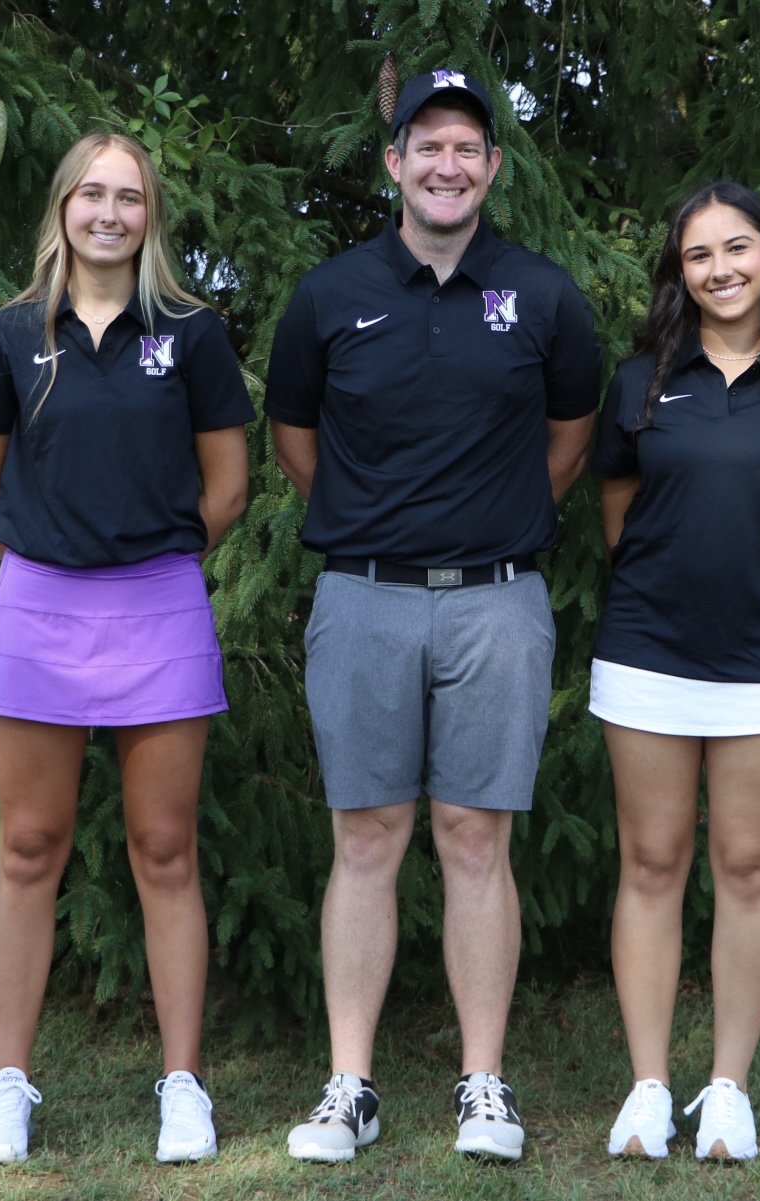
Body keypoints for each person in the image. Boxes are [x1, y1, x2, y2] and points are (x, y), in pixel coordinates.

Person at [263, 68, 600, 1163]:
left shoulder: (543, 297)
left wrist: (490, 524)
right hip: (361, 598)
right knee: (365, 838)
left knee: (473, 838)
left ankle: (481, 1083)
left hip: (496, 603)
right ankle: (350, 1085)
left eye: (467, 148)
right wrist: (377, 530)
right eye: (427, 145)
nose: (446, 164)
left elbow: (569, 437)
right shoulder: (329, 296)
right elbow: (296, 443)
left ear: (491, 168)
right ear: (394, 163)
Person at [0, 131, 253, 1165]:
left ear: (149, 215)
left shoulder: (193, 335)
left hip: (159, 608)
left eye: (129, 196)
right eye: (92, 193)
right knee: (27, 850)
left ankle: (182, 1087)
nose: (110, 212)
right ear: (64, 208)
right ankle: (8, 1086)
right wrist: (53, 557)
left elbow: (227, 487)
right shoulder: (8, 334)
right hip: (37, 608)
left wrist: (143, 561)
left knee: (164, 852)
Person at [589, 182, 760, 1161]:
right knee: (651, 864)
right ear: (678, 272)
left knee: (748, 869)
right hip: (647, 654)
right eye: (699, 254)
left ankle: (726, 1090)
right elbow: (619, 515)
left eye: (736, 248)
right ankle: (648, 1087)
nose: (719, 269)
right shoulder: (636, 384)